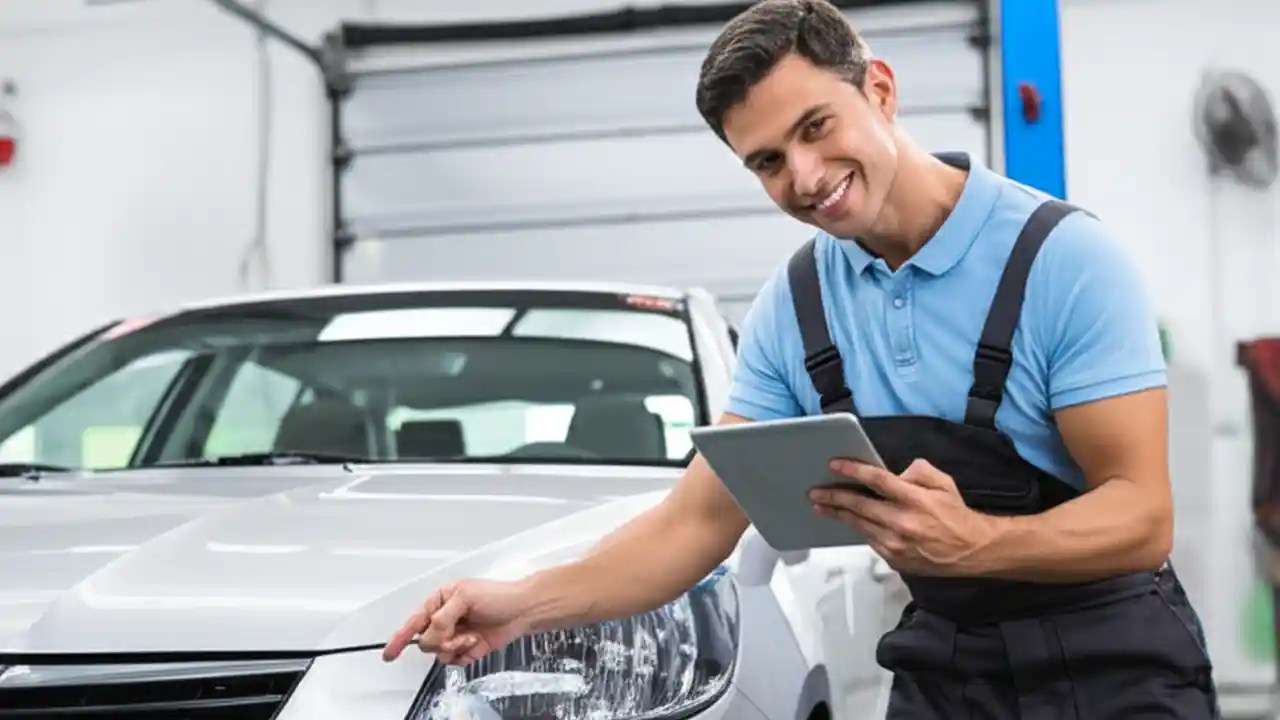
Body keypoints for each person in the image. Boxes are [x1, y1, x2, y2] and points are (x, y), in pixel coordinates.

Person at [382, 0, 1220, 716]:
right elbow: (696, 523)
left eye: (815, 128)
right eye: (769, 163)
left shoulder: (1062, 260)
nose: (807, 177)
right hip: (948, 664)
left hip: (1115, 662)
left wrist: (976, 542)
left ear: (880, 91)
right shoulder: (798, 305)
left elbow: (1142, 516)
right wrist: (521, 606)